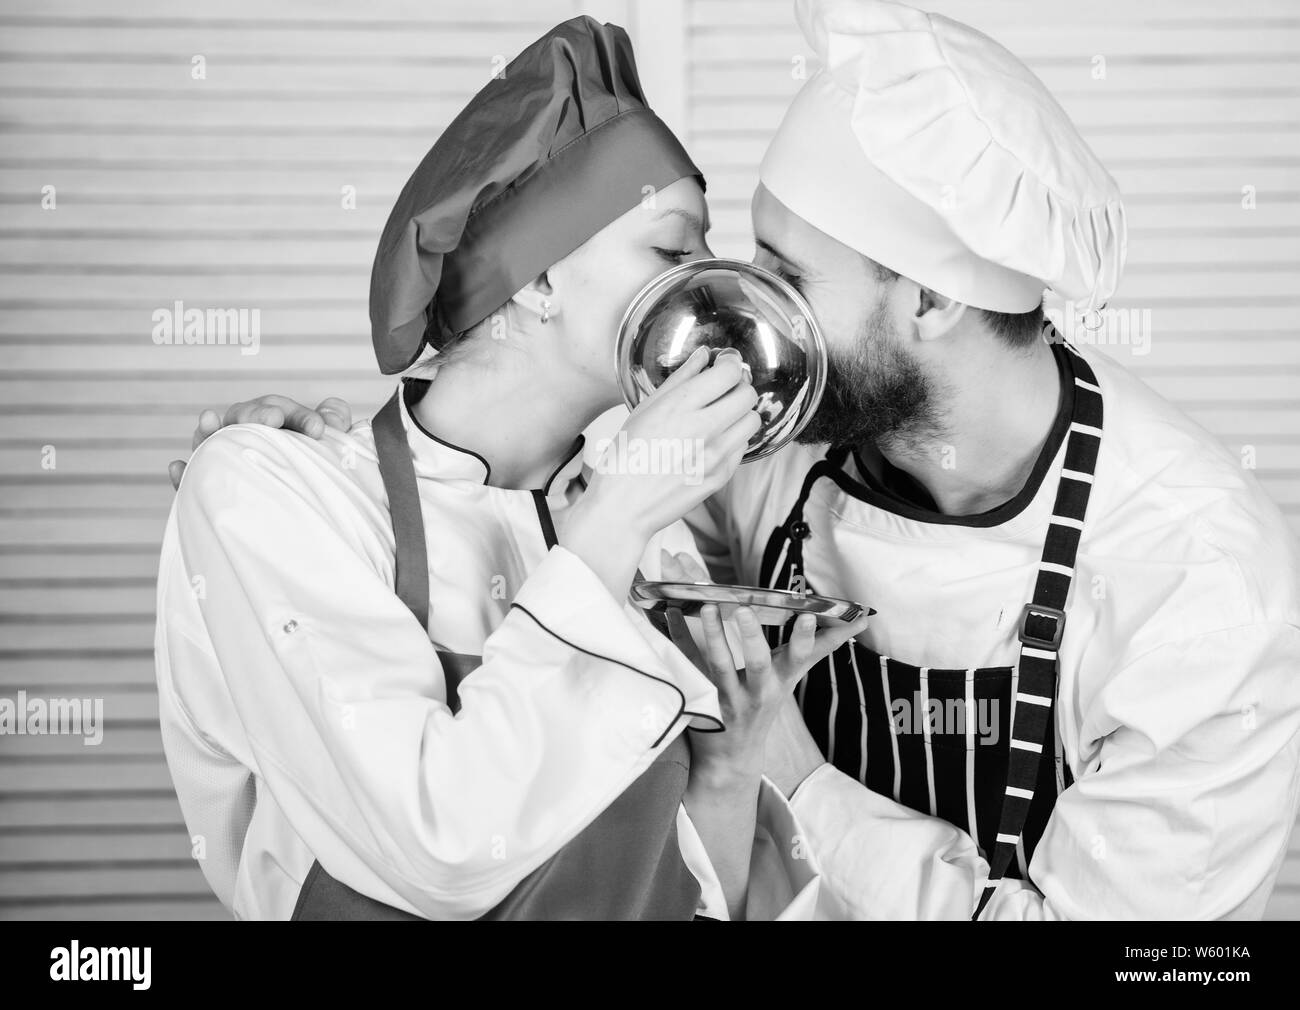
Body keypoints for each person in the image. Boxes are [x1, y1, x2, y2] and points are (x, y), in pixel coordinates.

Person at [178, 0, 1300, 920]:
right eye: (694, 248)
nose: (729, 296)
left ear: (928, 298)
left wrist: (787, 775)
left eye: (779, 267)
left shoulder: (1202, 579)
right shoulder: (732, 470)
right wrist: (336, 459)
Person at [155, 16, 868, 922]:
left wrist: (728, 772)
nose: (705, 283)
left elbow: (687, 900)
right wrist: (607, 534)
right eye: (671, 248)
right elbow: (433, 849)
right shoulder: (273, 492)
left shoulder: (651, 539)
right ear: (534, 278)